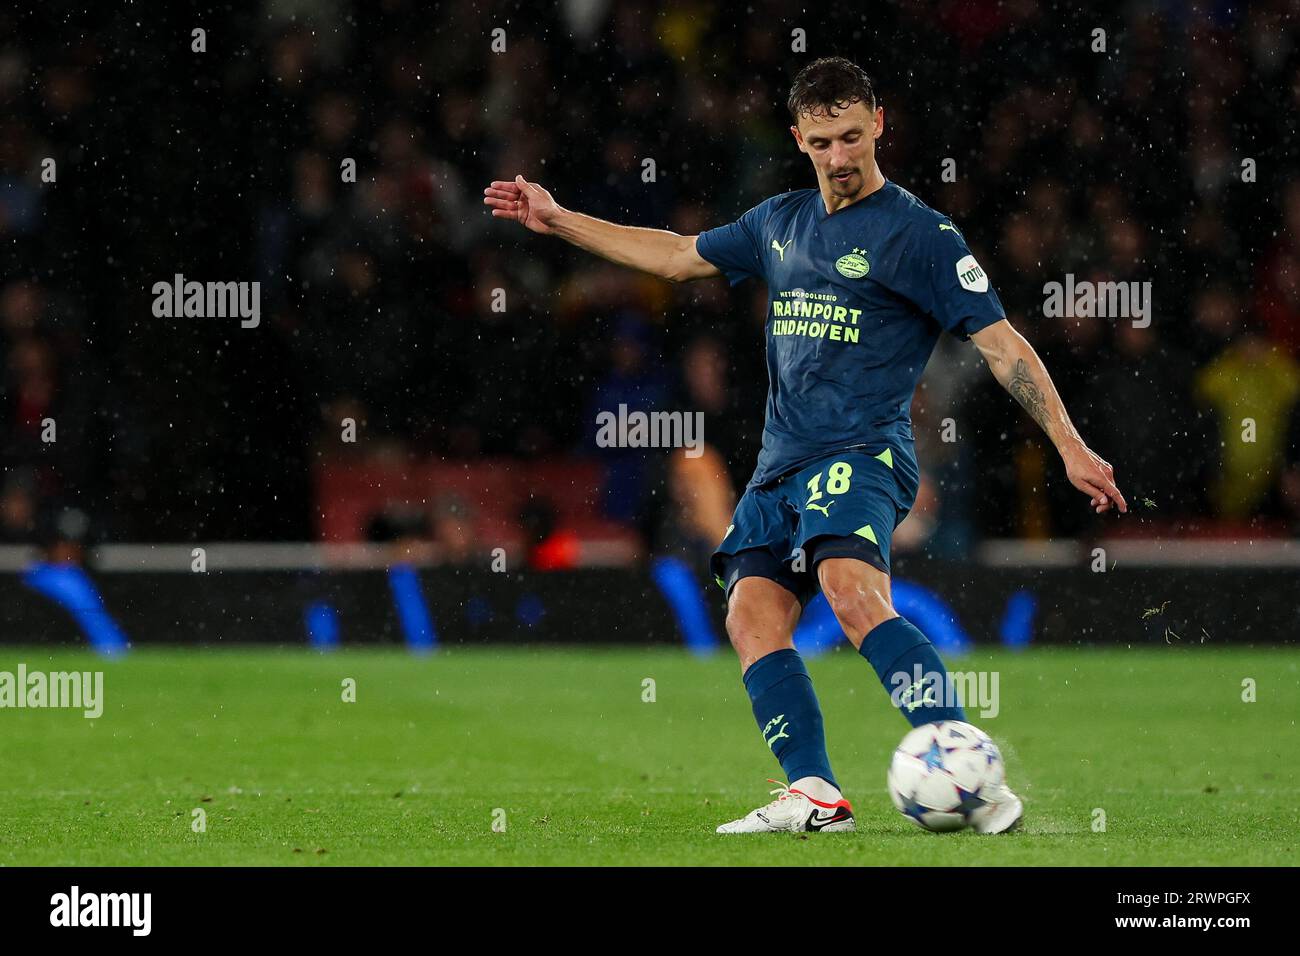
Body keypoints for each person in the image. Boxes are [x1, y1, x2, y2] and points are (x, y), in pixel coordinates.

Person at [483, 57, 1125, 835]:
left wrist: (1069, 445)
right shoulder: (778, 222)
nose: (841, 156)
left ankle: (969, 770)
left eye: (853, 136)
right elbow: (676, 255)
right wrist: (557, 219)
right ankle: (816, 793)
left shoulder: (921, 234)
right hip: (780, 463)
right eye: (823, 141)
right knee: (752, 616)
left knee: (852, 590)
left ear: (878, 124)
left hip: (863, 453)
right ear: (799, 138)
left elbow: (1003, 345)